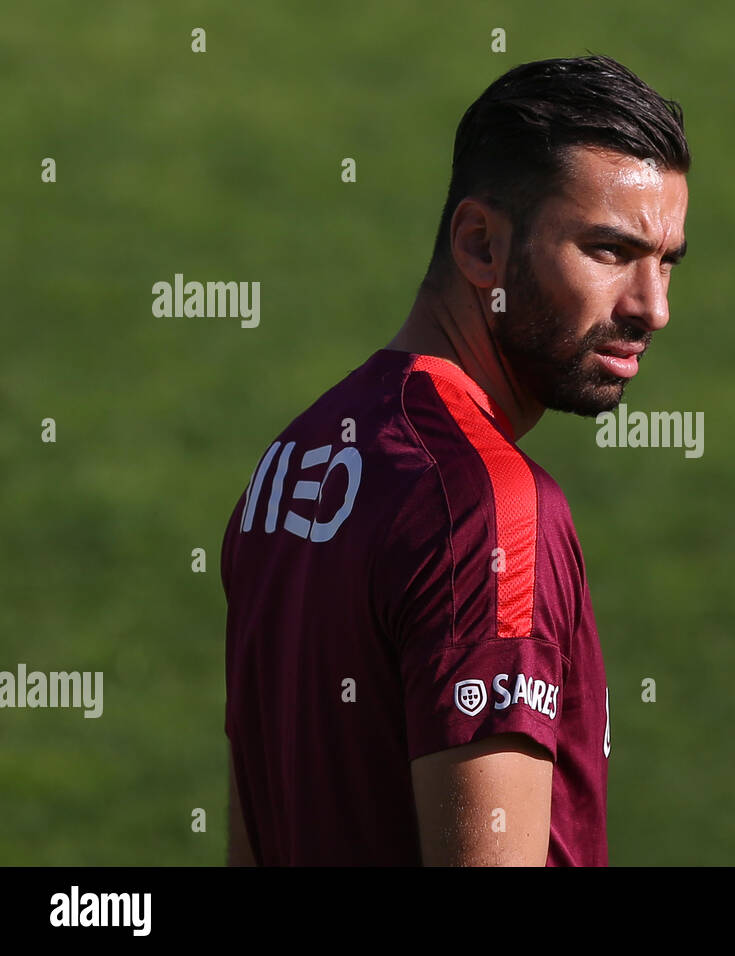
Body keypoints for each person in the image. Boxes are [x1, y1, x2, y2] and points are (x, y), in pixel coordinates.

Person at [221, 53, 690, 866]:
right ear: (480, 246)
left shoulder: (293, 463)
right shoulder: (488, 508)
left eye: (667, 260)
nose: (653, 307)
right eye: (611, 251)